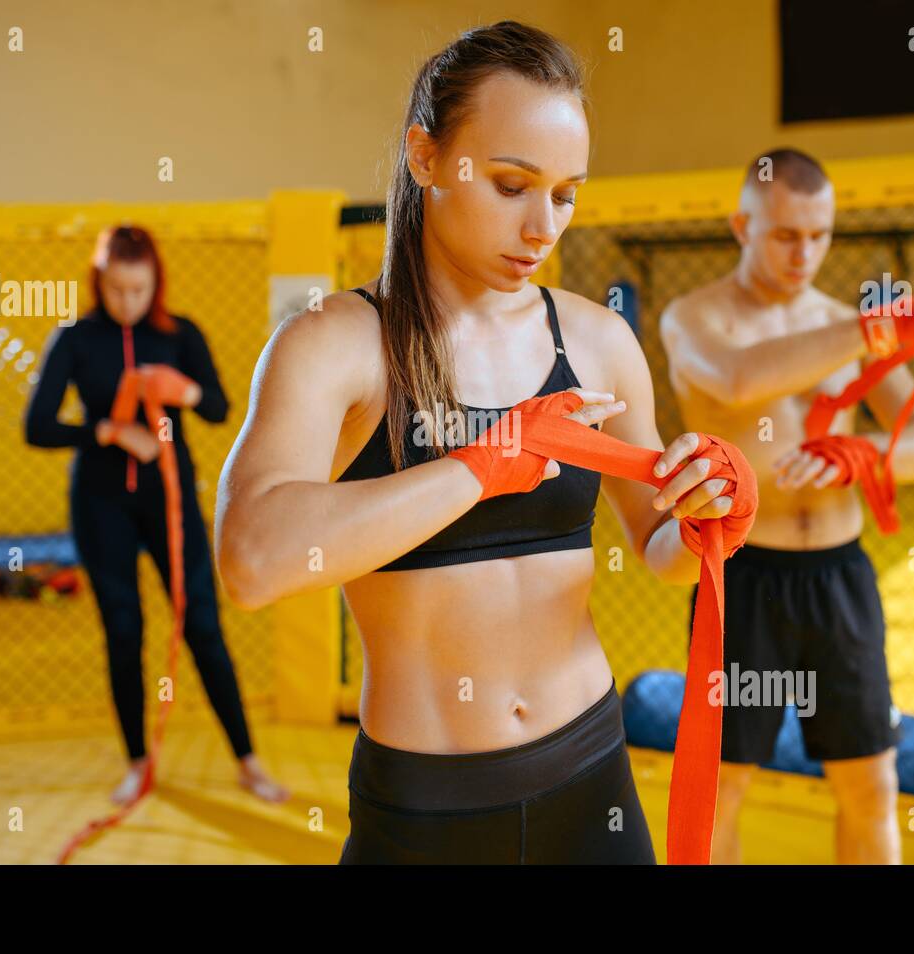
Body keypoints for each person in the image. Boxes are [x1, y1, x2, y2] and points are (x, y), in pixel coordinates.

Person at [214, 21, 738, 865]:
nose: (542, 226)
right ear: (426, 158)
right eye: (510, 184)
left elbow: (660, 545)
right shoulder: (339, 342)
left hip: (590, 777)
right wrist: (480, 465)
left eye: (565, 193)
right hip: (429, 810)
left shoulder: (599, 341)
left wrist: (709, 513)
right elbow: (252, 560)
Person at [659, 148, 914, 864]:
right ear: (741, 224)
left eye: (820, 235)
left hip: (839, 577)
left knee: (871, 781)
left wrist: (862, 454)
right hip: (740, 576)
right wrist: (881, 331)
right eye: (785, 234)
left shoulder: (846, 322)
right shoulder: (696, 317)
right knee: (722, 784)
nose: (804, 253)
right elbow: (739, 379)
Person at [24, 224, 288, 807]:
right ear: (100, 282)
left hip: (168, 500)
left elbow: (220, 408)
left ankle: (247, 761)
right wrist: (110, 430)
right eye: (116, 290)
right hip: (100, 503)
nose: (127, 302)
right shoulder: (74, 338)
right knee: (123, 630)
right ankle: (138, 764)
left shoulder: (180, 335)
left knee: (202, 627)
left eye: (138, 290)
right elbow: (36, 426)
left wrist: (183, 392)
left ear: (155, 283)